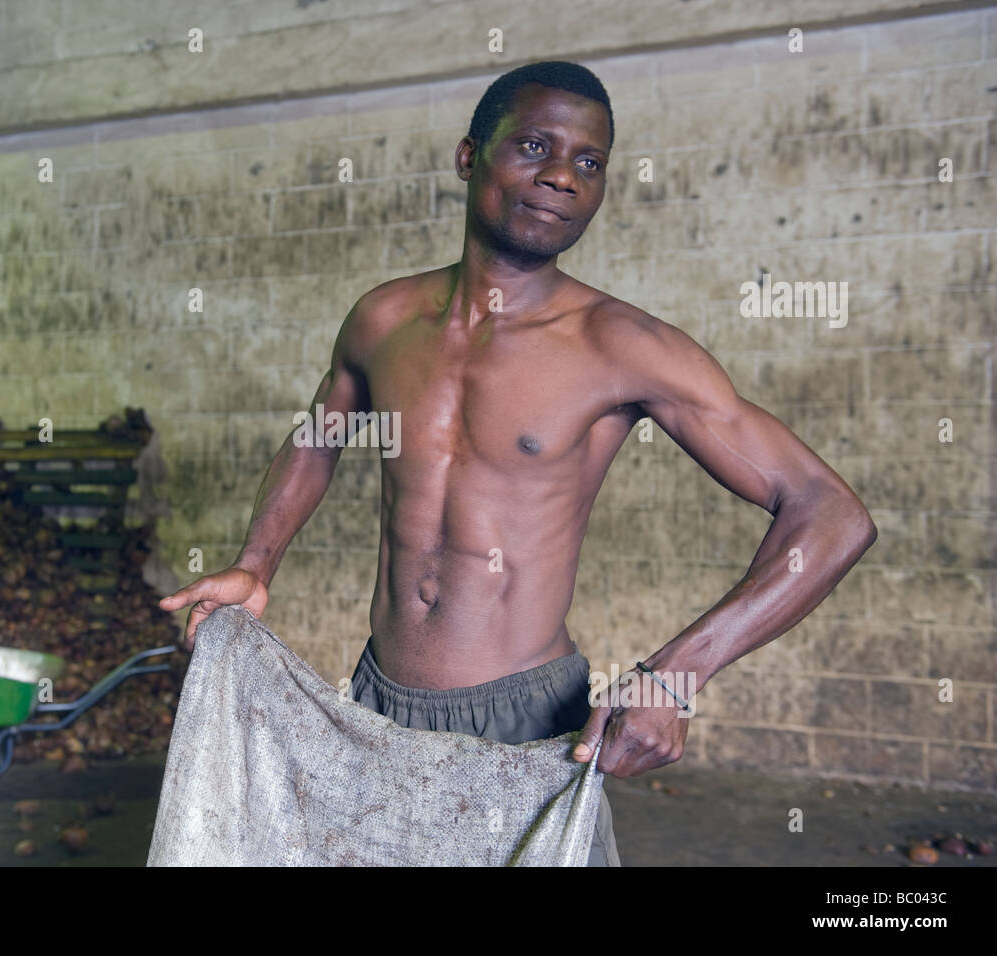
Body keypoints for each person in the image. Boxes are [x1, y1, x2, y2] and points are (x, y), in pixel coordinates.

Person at [158, 60, 877, 866]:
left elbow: (831, 511)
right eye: (535, 145)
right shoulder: (384, 318)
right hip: (373, 700)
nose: (562, 177)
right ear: (471, 158)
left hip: (527, 719)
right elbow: (319, 436)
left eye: (589, 162)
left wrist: (676, 675)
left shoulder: (621, 347)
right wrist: (256, 566)